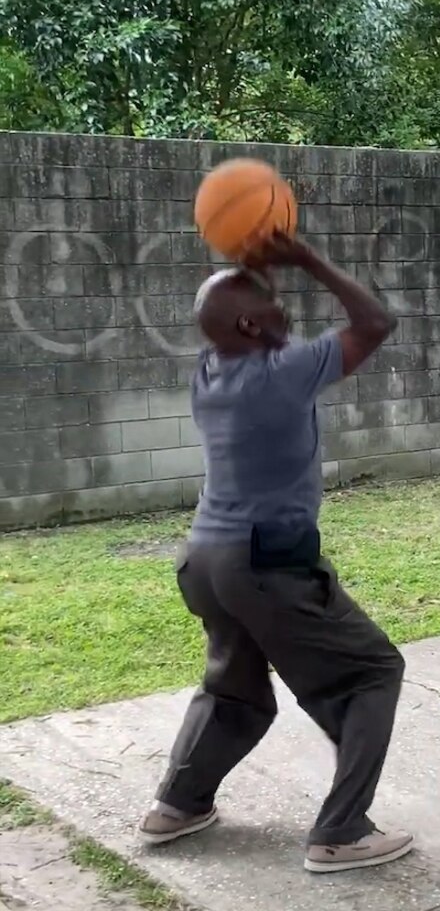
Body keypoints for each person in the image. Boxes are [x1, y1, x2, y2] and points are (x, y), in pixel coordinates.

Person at [138, 234, 414, 873]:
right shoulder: (281, 372)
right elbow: (375, 322)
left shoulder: (210, 370)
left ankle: (177, 805)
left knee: (236, 689)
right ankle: (341, 831)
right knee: (371, 672)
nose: (285, 304)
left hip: (204, 560)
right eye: (272, 301)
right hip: (264, 563)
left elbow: (243, 323)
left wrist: (254, 280)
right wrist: (311, 259)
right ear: (247, 322)